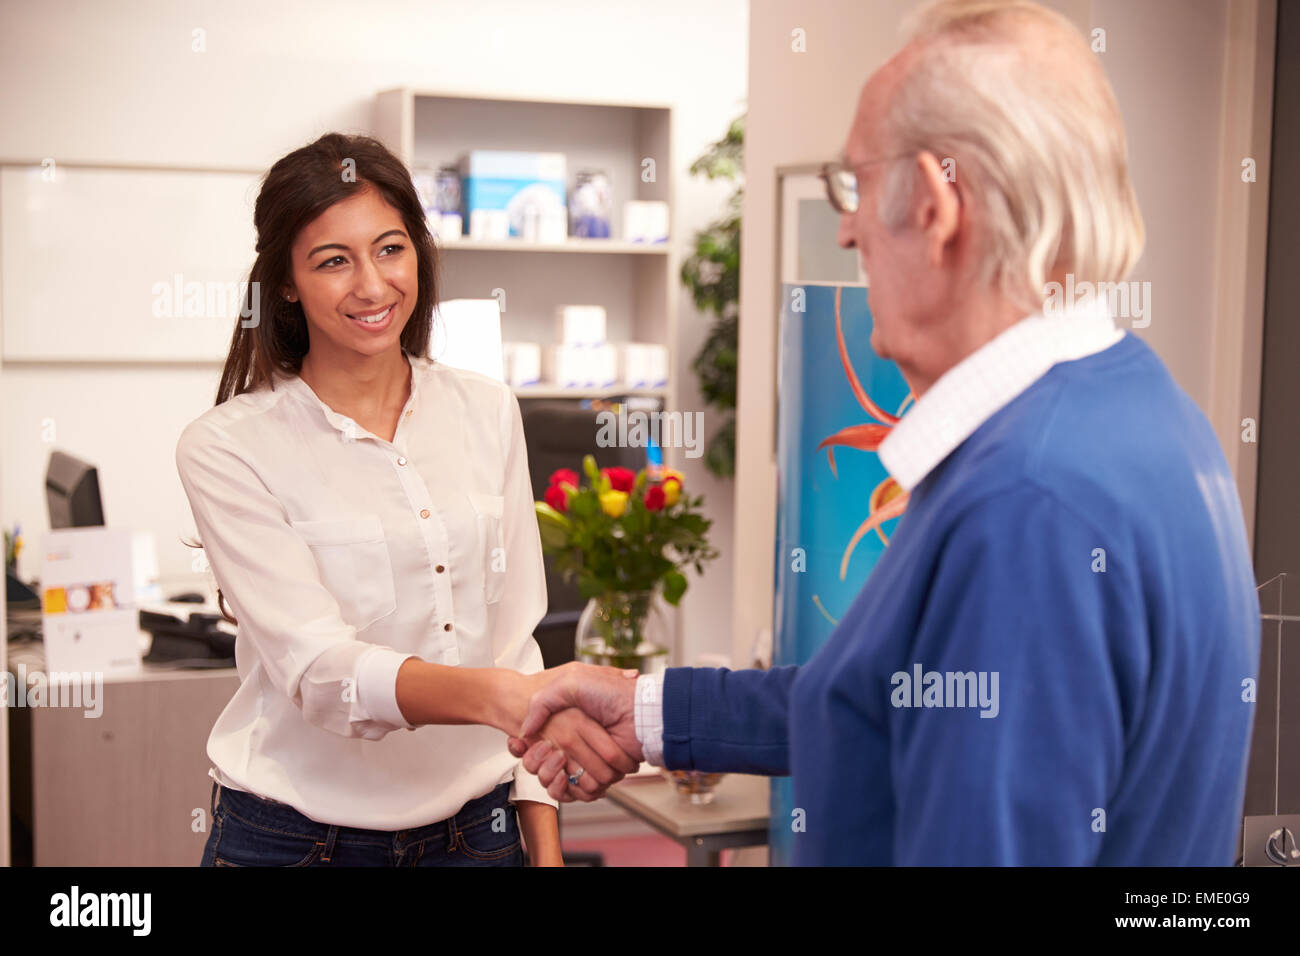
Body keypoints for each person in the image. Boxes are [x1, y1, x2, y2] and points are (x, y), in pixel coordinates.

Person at [509, 0, 1261, 865]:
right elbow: (905, 698)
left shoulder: (1025, 507)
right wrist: (649, 710)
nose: (847, 226)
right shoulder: (1141, 409)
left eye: (855, 184)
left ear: (939, 201)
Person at [177, 133, 637, 867]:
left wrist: (544, 850)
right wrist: (501, 698)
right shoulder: (228, 447)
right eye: (334, 260)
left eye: (391, 248)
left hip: (478, 836)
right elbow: (323, 673)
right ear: (287, 282)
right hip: (295, 841)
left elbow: (518, 642)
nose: (372, 285)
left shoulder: (487, 411)